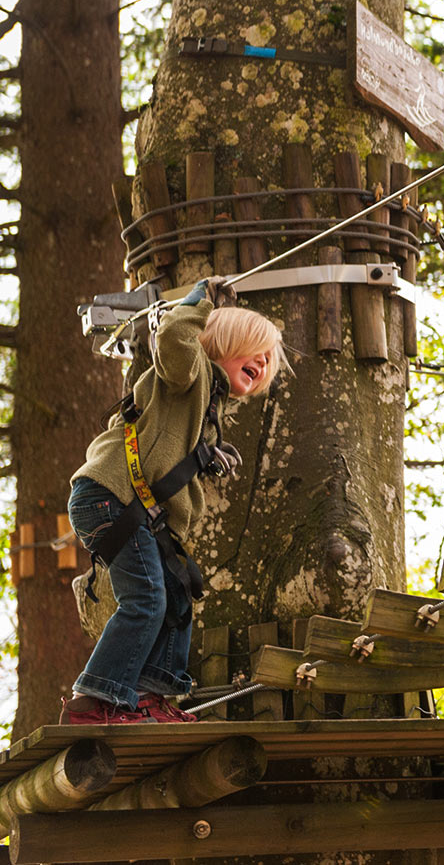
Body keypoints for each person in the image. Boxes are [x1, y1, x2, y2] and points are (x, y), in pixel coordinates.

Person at [61, 279, 286, 723]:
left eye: (267, 362)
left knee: (177, 597)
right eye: (255, 352)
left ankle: (151, 695)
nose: (262, 363)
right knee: (146, 599)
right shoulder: (189, 371)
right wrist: (200, 300)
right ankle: (96, 700)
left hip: (134, 508)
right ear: (222, 341)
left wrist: (205, 455)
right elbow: (172, 337)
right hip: (112, 498)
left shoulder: (202, 408)